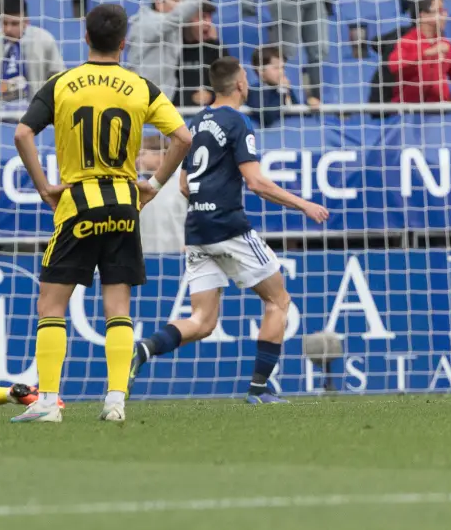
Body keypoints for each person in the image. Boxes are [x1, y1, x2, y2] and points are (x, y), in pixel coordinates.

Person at [8, 3, 192, 424]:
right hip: (125, 204)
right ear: (124, 43)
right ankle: (115, 400)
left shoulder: (62, 84)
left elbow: (22, 133)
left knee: (51, 305)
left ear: (85, 38)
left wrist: (43, 187)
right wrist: (154, 185)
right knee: (118, 305)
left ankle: (49, 401)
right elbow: (182, 136)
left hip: (78, 202)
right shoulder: (140, 86)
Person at [131, 55, 330, 403]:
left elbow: (182, 184)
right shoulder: (237, 123)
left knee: (203, 321)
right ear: (240, 84)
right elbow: (256, 182)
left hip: (196, 229)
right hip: (228, 226)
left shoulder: (194, 123)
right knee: (278, 300)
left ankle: (145, 349)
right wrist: (304, 204)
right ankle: (259, 388)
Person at [387, 0, 451, 105]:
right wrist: (428, 52)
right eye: (440, 11)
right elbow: (394, 66)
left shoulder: (444, 43)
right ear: (423, 15)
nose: (445, 15)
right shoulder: (407, 41)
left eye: (444, 11)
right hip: (410, 111)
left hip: (439, 110)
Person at [125, 0, 212, 102]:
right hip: (138, 97)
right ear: (159, 4)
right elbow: (176, 17)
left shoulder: (171, 27)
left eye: (183, 0)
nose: (181, 5)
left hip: (161, 97)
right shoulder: (144, 23)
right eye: (177, 0)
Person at [245, 45, 307, 122]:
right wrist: (282, 92)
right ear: (261, 71)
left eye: (283, 67)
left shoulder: (284, 89)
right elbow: (266, 117)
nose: (282, 72)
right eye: (276, 68)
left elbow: (300, 116)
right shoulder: (254, 91)